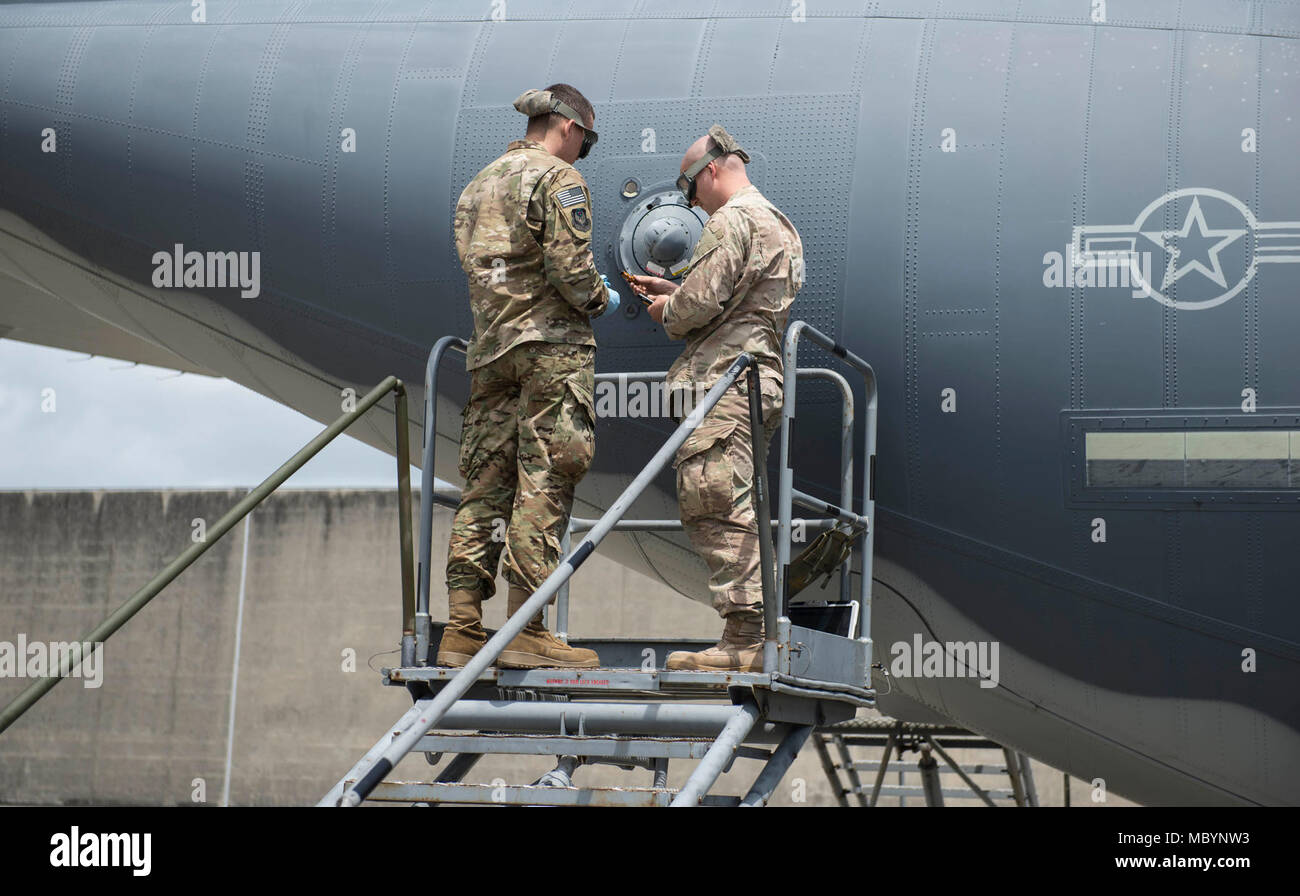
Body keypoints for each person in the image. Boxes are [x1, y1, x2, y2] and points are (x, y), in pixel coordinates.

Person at [438, 84, 619, 670]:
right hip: (550, 349)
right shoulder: (556, 178)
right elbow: (571, 271)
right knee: (547, 473)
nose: (581, 154)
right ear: (567, 127)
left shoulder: (478, 185)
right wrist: (602, 299)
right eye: (585, 143)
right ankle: (526, 629)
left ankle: (462, 627)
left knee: (484, 483)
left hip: (490, 352)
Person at [629, 125, 804, 672]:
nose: (690, 203)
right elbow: (740, 299)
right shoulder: (778, 222)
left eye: (688, 190)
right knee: (739, 503)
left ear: (709, 171)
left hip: (726, 380)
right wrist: (681, 294)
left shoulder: (732, 220)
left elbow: (694, 311)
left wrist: (666, 309)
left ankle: (744, 639)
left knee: (715, 503)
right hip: (757, 374)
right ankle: (752, 633)